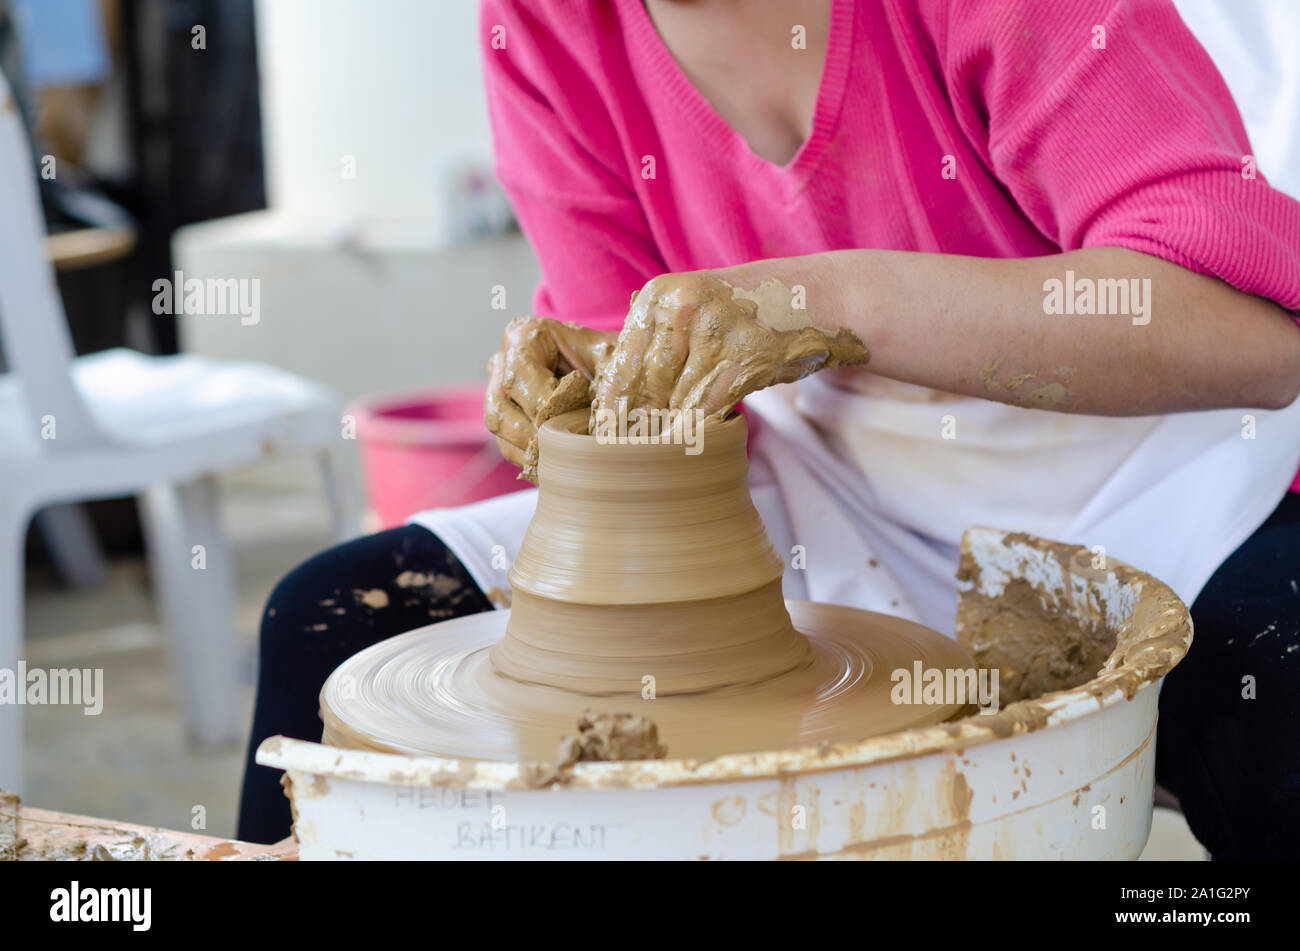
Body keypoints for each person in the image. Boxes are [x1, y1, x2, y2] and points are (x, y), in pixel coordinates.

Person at [238, 0, 1300, 858]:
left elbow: (1254, 336)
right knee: (332, 618)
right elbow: (642, 351)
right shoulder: (544, 19)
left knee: (1275, 678)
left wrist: (834, 302)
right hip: (813, 487)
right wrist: (595, 393)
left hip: (1157, 481)